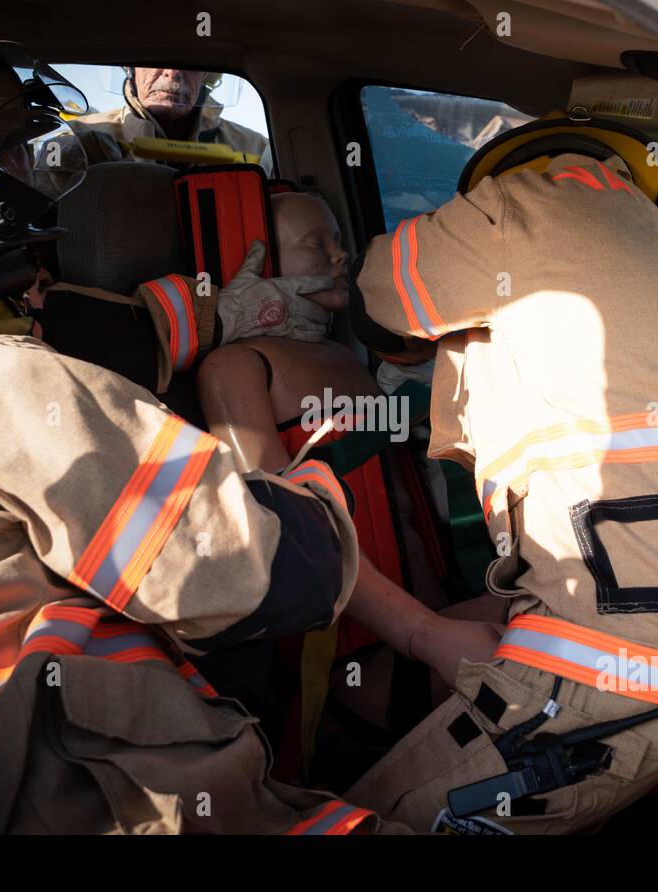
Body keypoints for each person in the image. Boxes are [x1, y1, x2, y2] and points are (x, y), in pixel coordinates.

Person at [0, 47, 404, 834]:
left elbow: (97, 321)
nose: (37, 282)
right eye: (20, 264)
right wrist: (325, 477)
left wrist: (217, 318)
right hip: (104, 799)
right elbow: (246, 565)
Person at [341, 117, 658, 834]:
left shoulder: (508, 208)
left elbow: (374, 303)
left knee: (374, 816)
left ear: (501, 176)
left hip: (650, 651)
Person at [196, 194, 505, 778]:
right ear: (256, 261)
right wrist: (428, 636)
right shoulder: (238, 368)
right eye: (317, 243)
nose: (341, 256)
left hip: (436, 616)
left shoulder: (350, 358)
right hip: (363, 663)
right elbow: (288, 540)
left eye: (339, 240)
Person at [74, 67, 272, 172]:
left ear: (206, 75)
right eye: (156, 58)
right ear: (131, 68)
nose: (174, 73)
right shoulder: (78, 135)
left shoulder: (259, 150)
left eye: (190, 62)